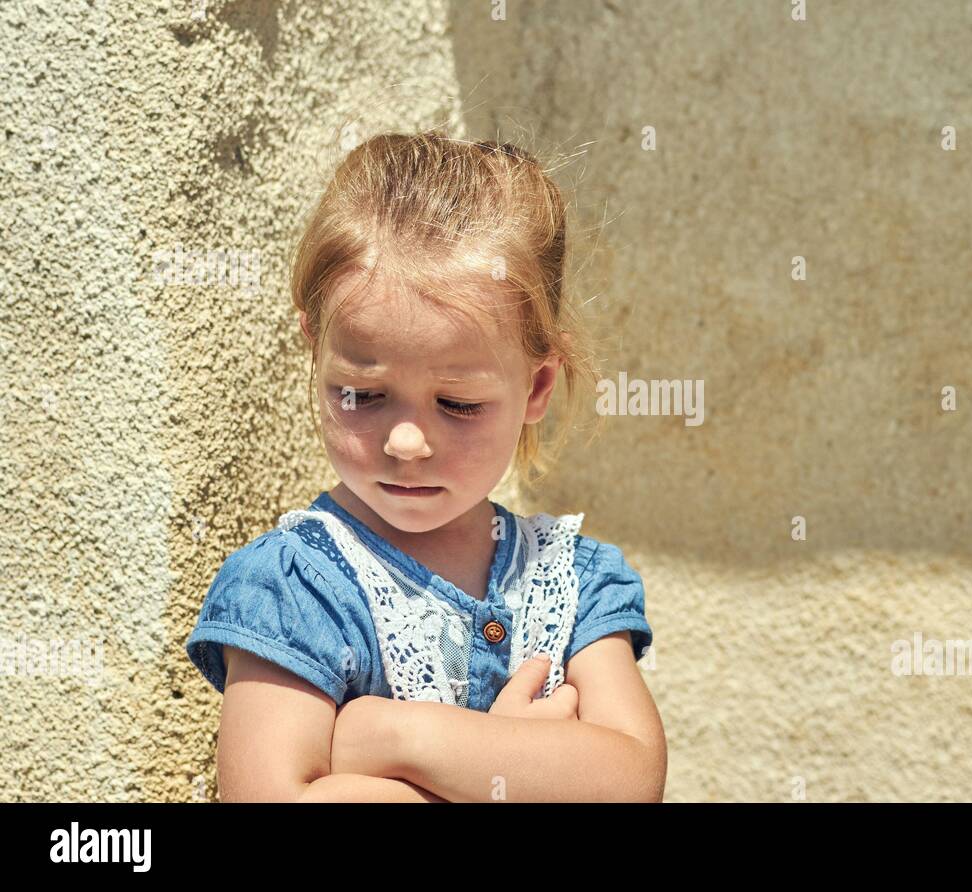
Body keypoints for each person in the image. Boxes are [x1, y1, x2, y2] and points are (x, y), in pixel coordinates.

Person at [185, 131, 665, 803]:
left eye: (459, 403)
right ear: (315, 351)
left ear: (536, 388)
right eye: (364, 395)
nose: (407, 441)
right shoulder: (298, 588)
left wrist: (394, 739)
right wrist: (516, 772)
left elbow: (630, 780)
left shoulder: (572, 581)